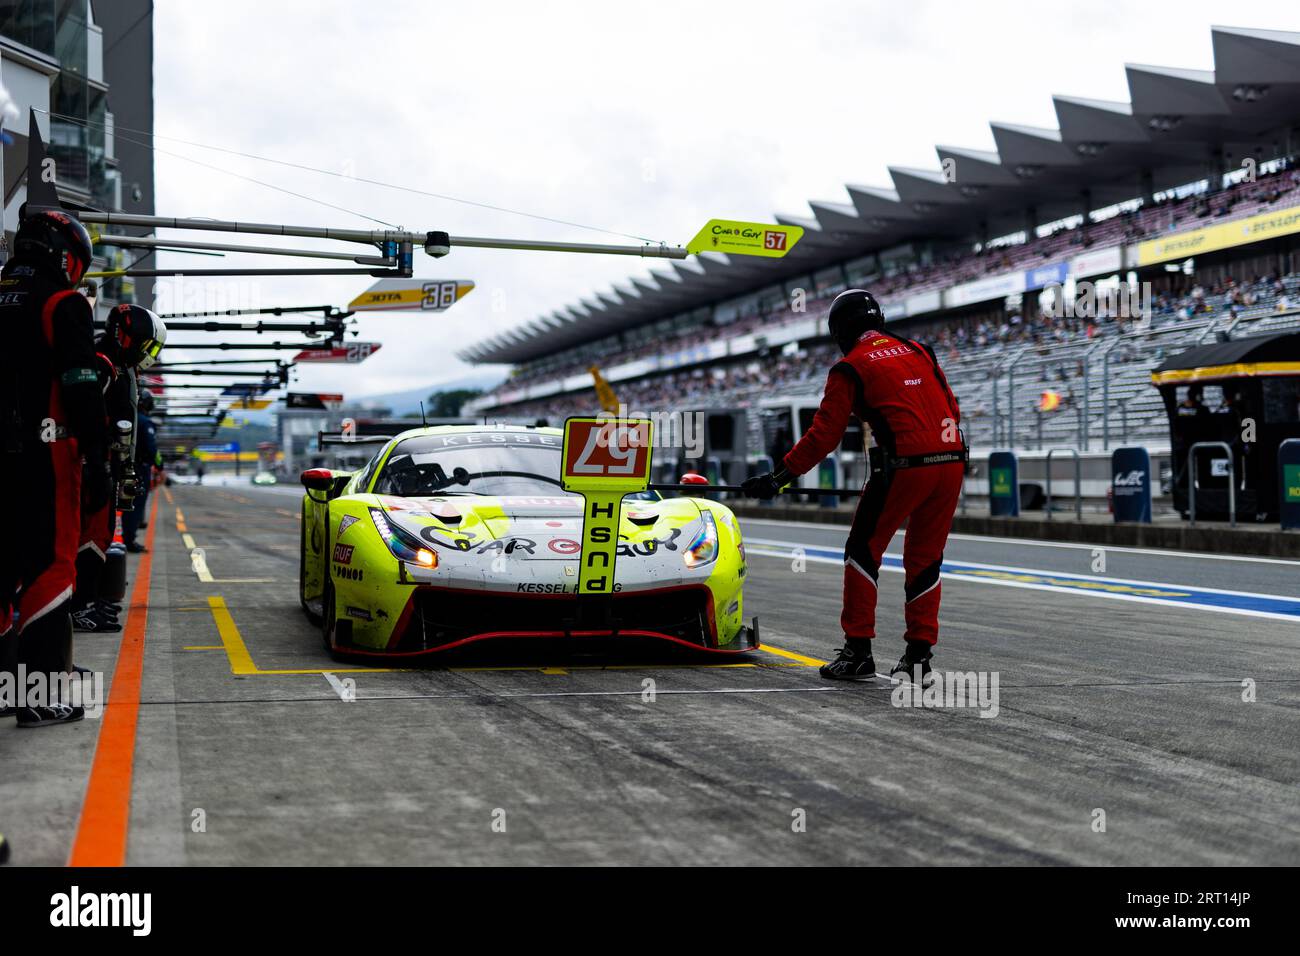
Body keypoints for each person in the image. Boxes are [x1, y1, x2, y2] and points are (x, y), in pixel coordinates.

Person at [742, 289, 966, 685]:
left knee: (862, 551)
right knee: (925, 559)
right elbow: (952, 406)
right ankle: (918, 660)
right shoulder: (920, 349)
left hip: (903, 466)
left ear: (839, 330)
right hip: (951, 461)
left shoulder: (849, 367)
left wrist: (779, 478)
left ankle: (858, 650)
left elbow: (823, 437)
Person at [0, 210, 103, 726]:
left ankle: (2, 687)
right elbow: (83, 387)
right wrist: (100, 453)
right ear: (65, 256)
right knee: (50, 568)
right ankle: (40, 695)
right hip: (44, 458)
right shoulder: (64, 304)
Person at [70, 303, 166, 633]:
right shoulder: (102, 364)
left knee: (100, 533)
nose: (148, 354)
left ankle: (87, 598)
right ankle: (80, 606)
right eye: (146, 345)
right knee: (91, 536)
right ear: (129, 338)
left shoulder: (118, 367)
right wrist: (98, 462)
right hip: (91, 465)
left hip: (106, 463)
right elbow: (88, 416)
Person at [121, 387, 159, 553]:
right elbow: (152, 449)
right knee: (135, 504)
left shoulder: (130, 418)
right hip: (141, 468)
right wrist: (159, 465)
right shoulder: (145, 423)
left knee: (127, 502)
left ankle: (126, 537)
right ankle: (129, 539)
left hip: (127, 465)